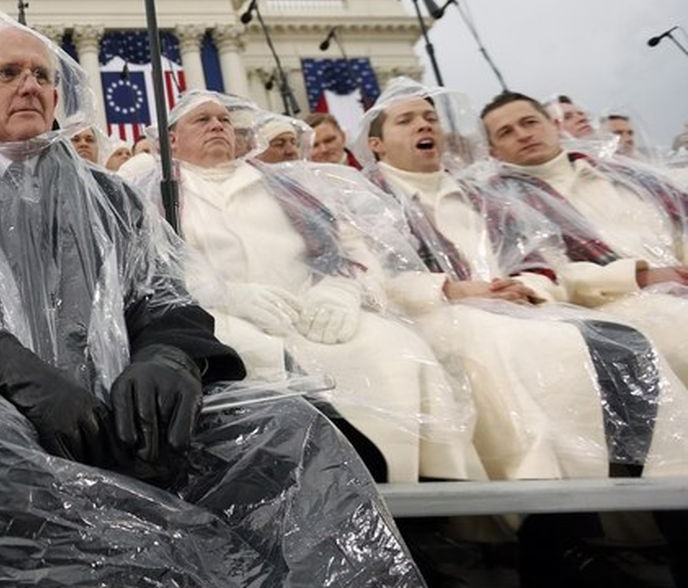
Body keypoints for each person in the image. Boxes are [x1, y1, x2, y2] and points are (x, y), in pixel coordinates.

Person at [0, 2, 421, 586]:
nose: (29, 85)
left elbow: (164, 299)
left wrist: (169, 360)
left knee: (290, 428)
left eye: (42, 75)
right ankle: (185, 570)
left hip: (109, 409)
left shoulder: (111, 196)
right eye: (7, 73)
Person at [359, 80, 688, 584]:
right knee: (511, 344)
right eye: (405, 120)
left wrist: (524, 285)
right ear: (376, 144)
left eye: (429, 116)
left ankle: (662, 504)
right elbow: (368, 272)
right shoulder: (362, 197)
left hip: (518, 306)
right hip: (439, 314)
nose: (424, 124)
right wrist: (454, 290)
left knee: (609, 341)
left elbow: (538, 260)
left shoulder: (481, 193)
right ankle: (547, 528)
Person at [166, 90, 479, 485]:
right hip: (220, 319)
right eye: (202, 120)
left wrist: (339, 291)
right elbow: (152, 266)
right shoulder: (155, 190)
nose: (217, 126)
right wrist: (224, 295)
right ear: (172, 139)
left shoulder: (288, 186)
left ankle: (425, 491)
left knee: (400, 350)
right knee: (265, 362)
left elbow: (351, 251)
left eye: (225, 120)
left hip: (313, 312)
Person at [475, 91, 688, 383]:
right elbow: (546, 274)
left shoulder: (627, 174)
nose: (523, 135)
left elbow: (681, 223)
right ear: (493, 152)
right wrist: (639, 276)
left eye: (530, 123)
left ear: (552, 124)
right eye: (506, 132)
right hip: (616, 304)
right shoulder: (498, 203)